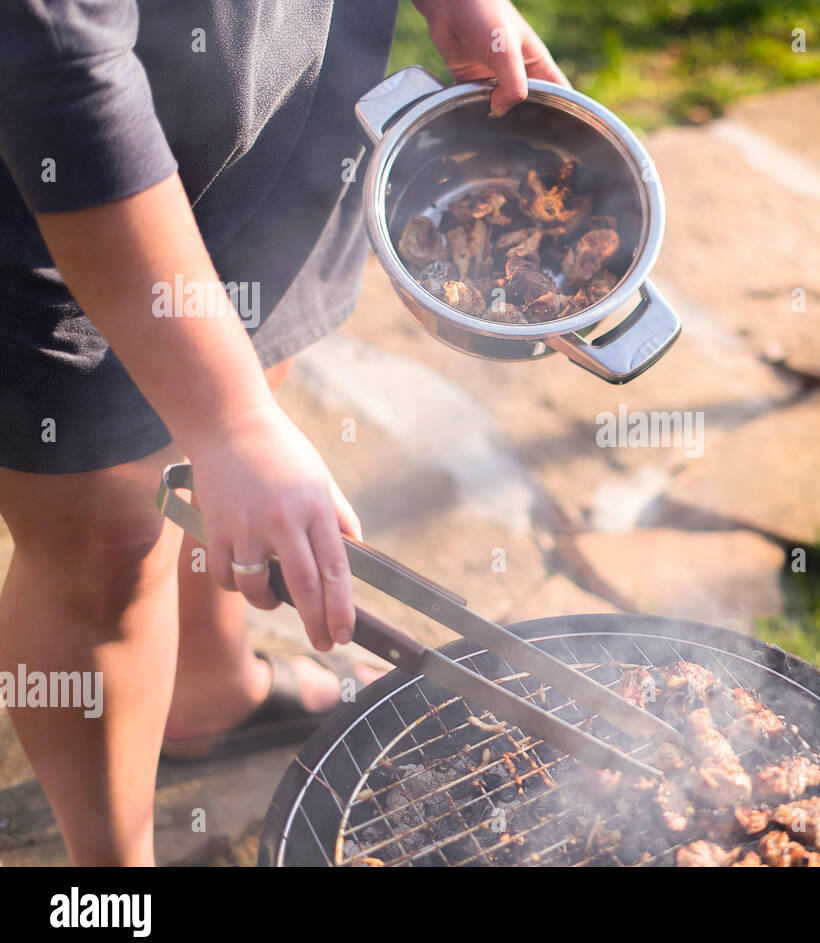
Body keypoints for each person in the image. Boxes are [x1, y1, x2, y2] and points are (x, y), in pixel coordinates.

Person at [0, 0, 567, 866]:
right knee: (104, 538)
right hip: (52, 177)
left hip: (288, 78)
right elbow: (53, 72)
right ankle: (113, 886)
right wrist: (227, 421)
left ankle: (210, 693)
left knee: (259, 349)